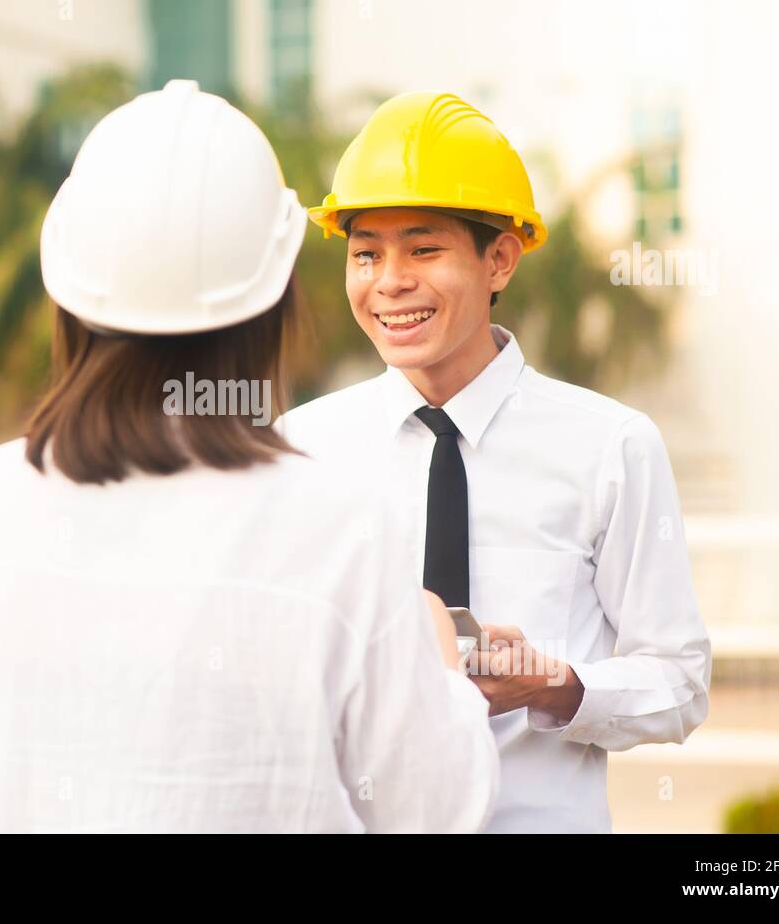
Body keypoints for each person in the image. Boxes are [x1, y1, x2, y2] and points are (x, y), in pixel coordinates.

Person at [0, 80, 499, 833]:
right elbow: (434, 812)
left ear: (66, 291)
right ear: (274, 301)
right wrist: (442, 656)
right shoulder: (338, 528)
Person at [281, 91, 711, 833]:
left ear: (500, 260)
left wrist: (557, 685)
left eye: (423, 249)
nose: (389, 281)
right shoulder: (301, 448)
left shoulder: (611, 446)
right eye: (366, 253)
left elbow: (680, 681)